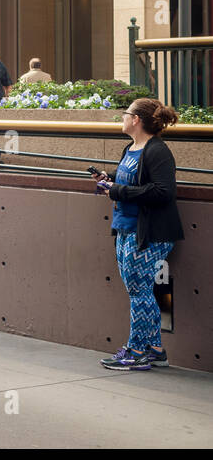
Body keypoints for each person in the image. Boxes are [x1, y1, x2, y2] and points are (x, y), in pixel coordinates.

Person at [95, 98, 185, 371]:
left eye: (126, 114)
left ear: (136, 120)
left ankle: (135, 351)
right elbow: (129, 180)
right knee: (138, 290)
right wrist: (108, 179)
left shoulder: (158, 151)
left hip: (149, 233)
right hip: (125, 228)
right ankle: (155, 350)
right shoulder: (132, 148)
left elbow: (163, 191)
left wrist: (118, 191)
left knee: (139, 291)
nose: (122, 118)